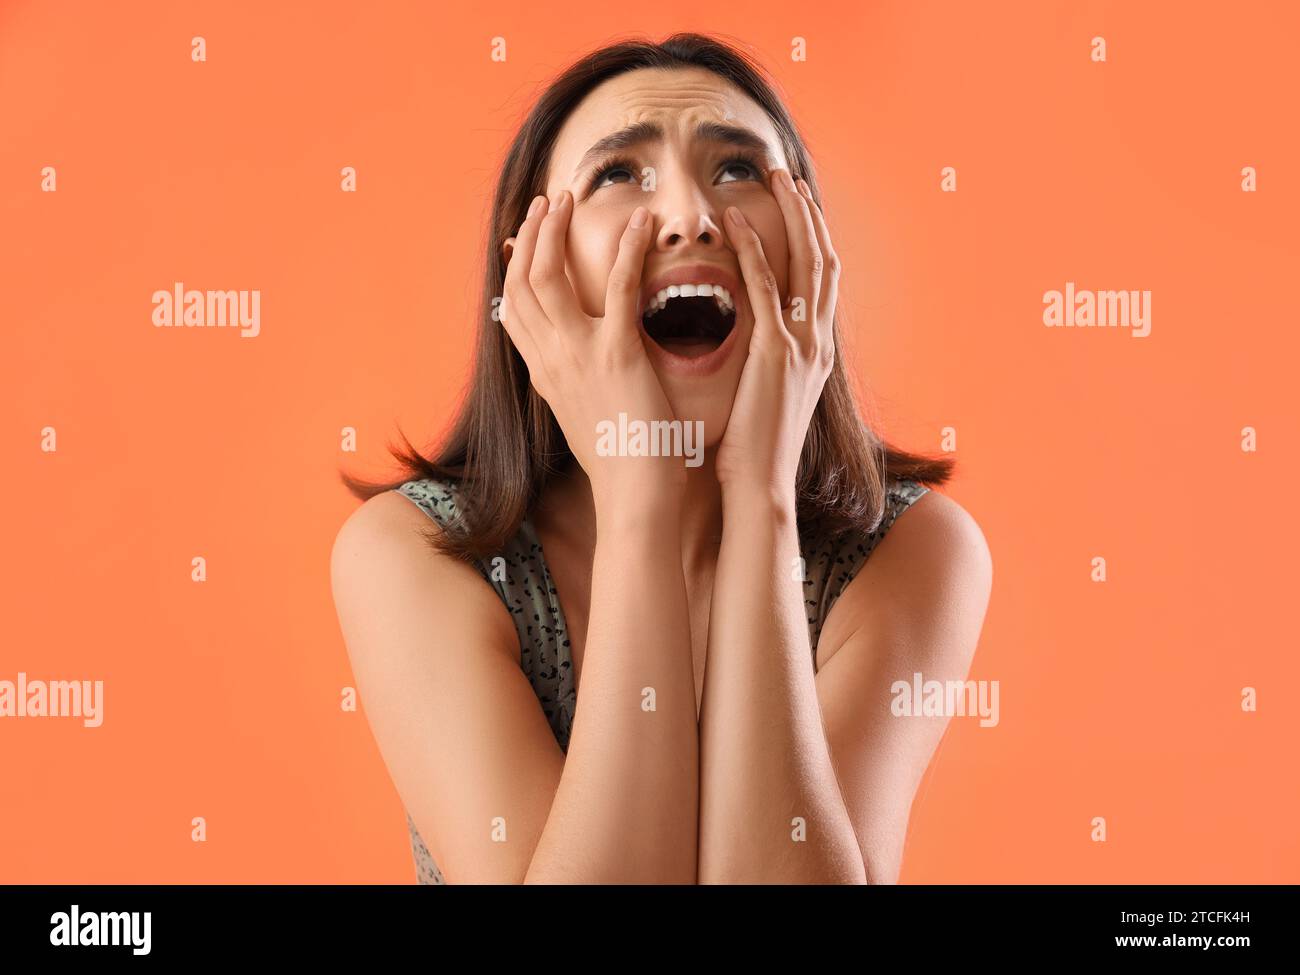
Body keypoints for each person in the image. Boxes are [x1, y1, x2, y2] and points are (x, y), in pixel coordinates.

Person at [330, 33, 992, 884]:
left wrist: (761, 499)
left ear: (812, 257)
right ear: (535, 275)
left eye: (738, 170)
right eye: (618, 175)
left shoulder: (915, 555)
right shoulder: (409, 554)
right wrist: (639, 485)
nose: (691, 216)